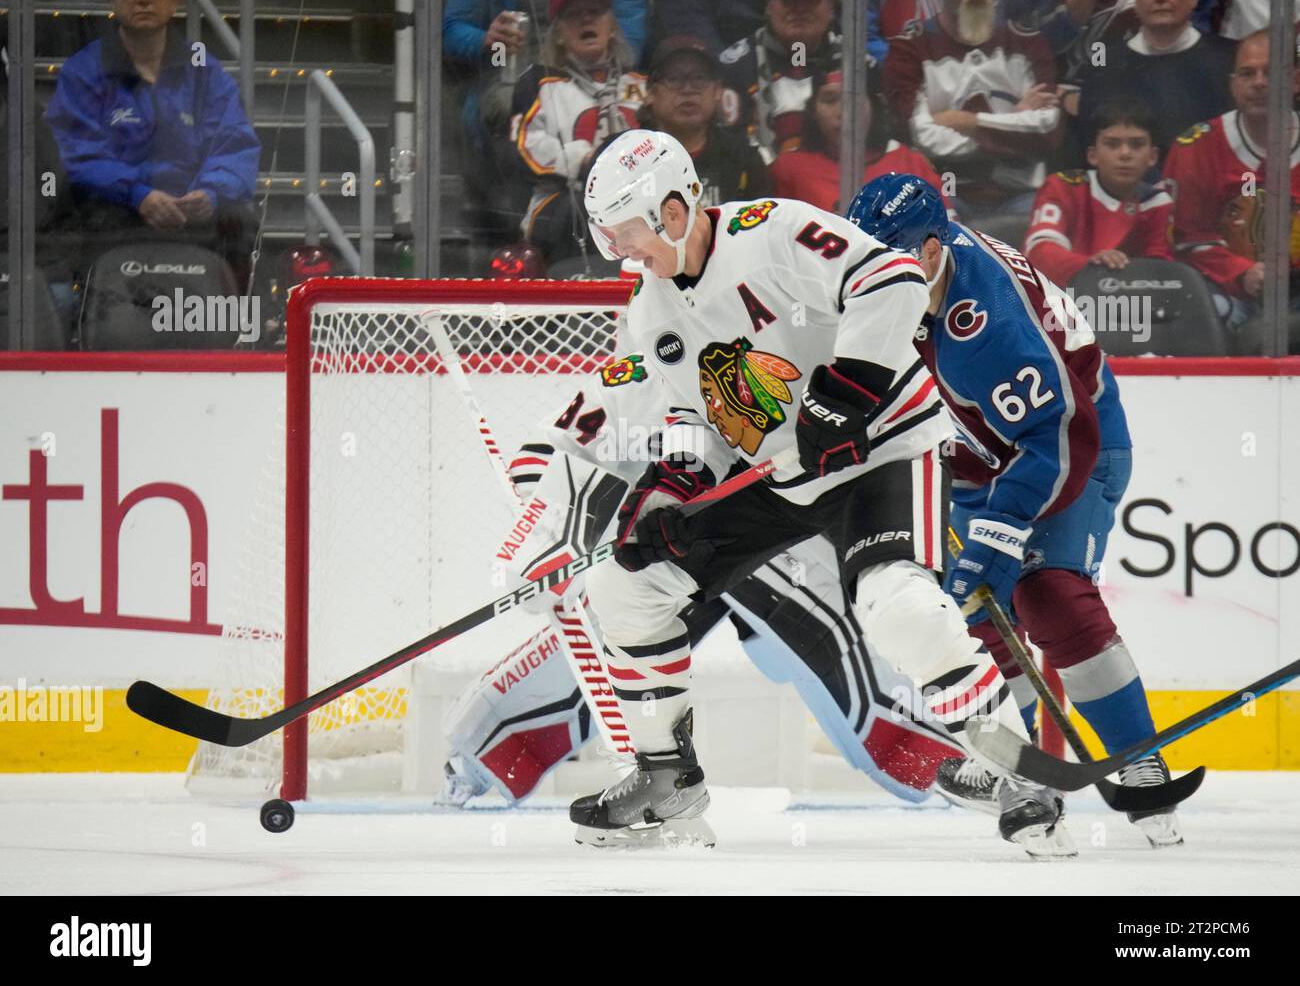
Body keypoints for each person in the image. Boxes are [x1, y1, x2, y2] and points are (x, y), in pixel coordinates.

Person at [571, 128, 1076, 856]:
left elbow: (894, 280)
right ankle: (665, 777)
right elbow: (691, 415)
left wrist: (847, 390)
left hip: (884, 447)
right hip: (784, 470)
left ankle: (1021, 775)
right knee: (626, 584)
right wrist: (670, 491)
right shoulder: (651, 312)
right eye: (608, 239)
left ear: (674, 211)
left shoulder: (773, 231)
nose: (624, 254)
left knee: (896, 604)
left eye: (628, 235)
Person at [436, 367, 965, 819]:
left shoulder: (764, 350)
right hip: (656, 552)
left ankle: (954, 760)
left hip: (775, 547)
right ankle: (480, 758)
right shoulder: (636, 377)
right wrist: (556, 540)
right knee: (616, 634)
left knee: (865, 680)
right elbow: (539, 462)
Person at [847, 172, 1182, 847]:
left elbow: (1059, 435)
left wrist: (1001, 538)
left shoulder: (987, 324)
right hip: (975, 452)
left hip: (1071, 445)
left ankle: (1141, 764)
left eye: (891, 269)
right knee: (966, 605)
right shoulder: (903, 267)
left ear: (934, 254)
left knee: (1049, 594)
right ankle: (1022, 773)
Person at [44, 0, 260, 278]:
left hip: (193, 212)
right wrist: (138, 195)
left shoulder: (204, 70)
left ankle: (237, 317)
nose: (143, 0)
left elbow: (235, 145)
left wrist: (210, 192)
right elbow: (76, 154)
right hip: (115, 212)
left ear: (176, 3)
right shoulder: (84, 70)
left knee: (239, 222)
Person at [1161, 30, 1300, 326]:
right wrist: (1240, 271)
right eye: (1247, 74)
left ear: (1295, 81)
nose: (1260, 83)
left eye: (1271, 73)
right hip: (1224, 288)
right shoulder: (1195, 148)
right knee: (1203, 316)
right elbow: (1186, 239)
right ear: (1234, 85)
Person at [883, 0, 1063, 216]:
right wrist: (1015, 125)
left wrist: (966, 122)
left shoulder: (1028, 43)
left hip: (1022, 194)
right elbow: (921, 138)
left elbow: (1048, 131)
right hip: (942, 193)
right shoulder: (909, 49)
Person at [510, 0, 647, 263]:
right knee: (578, 209)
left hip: (636, 202)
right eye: (574, 14)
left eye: (596, 12)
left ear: (612, 27)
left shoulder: (641, 84)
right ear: (559, 34)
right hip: (560, 205)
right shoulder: (537, 82)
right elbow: (525, 147)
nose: (587, 20)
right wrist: (586, 159)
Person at [1024, 101, 1173, 287]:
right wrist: (1092, 266)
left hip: (1127, 305)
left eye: (1136, 145)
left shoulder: (1157, 202)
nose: (1125, 154)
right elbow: (1040, 253)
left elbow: (1159, 271)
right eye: (1112, 144)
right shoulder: (1062, 187)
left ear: (1152, 157)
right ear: (1092, 155)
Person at [770, 66, 952, 214]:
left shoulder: (910, 163)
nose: (844, 112)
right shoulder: (789, 169)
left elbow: (946, 235)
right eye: (830, 100)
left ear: (874, 106)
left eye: (854, 99)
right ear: (812, 113)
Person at [1074, 0, 1236, 164]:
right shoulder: (1103, 66)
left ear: (1194, 0)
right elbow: (1089, 143)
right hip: (1128, 187)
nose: (1160, 0)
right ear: (1135, 2)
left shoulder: (1231, 59)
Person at [717, 0, 860, 160]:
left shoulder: (859, 67)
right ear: (768, 6)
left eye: (810, 1)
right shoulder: (733, 69)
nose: (799, 9)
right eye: (788, 1)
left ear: (832, 7)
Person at [636, 38, 771, 207]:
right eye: (674, 79)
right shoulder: (624, 157)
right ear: (650, 93)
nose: (688, 89)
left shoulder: (743, 158)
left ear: (717, 91)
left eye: (699, 78)